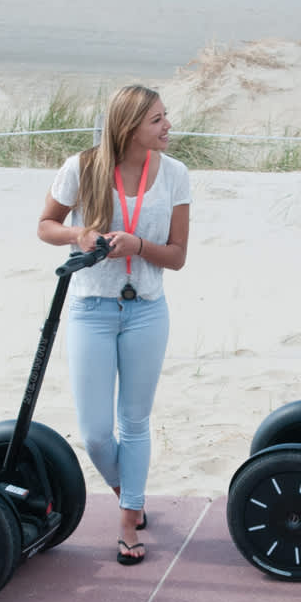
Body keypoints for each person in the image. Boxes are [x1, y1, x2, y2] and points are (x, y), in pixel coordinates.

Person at [36, 86, 191, 566]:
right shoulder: (81, 167)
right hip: (90, 309)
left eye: (166, 117)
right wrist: (78, 234)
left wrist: (139, 246)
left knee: (135, 421)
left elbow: (178, 257)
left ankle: (129, 520)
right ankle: (131, 489)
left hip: (146, 308)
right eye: (157, 120)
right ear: (128, 128)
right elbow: (45, 225)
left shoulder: (176, 175)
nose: (168, 127)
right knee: (96, 432)